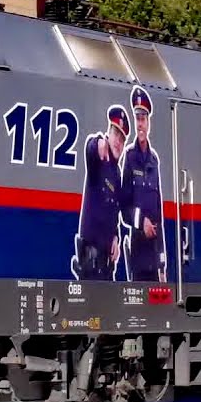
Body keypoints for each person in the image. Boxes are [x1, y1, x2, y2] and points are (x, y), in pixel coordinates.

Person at [72, 104, 129, 280]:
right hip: (90, 263)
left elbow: (114, 214)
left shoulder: (117, 173)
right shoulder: (99, 157)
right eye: (116, 134)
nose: (118, 142)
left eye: (122, 139)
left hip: (106, 268)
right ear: (108, 133)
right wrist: (97, 142)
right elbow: (90, 150)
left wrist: (116, 239)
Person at [120, 85, 166, 282]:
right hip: (138, 252)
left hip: (155, 254)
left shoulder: (154, 160)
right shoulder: (129, 158)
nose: (140, 124)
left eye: (143, 119)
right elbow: (124, 207)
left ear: (148, 123)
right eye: (137, 118)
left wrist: (162, 262)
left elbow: (159, 213)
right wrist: (141, 222)